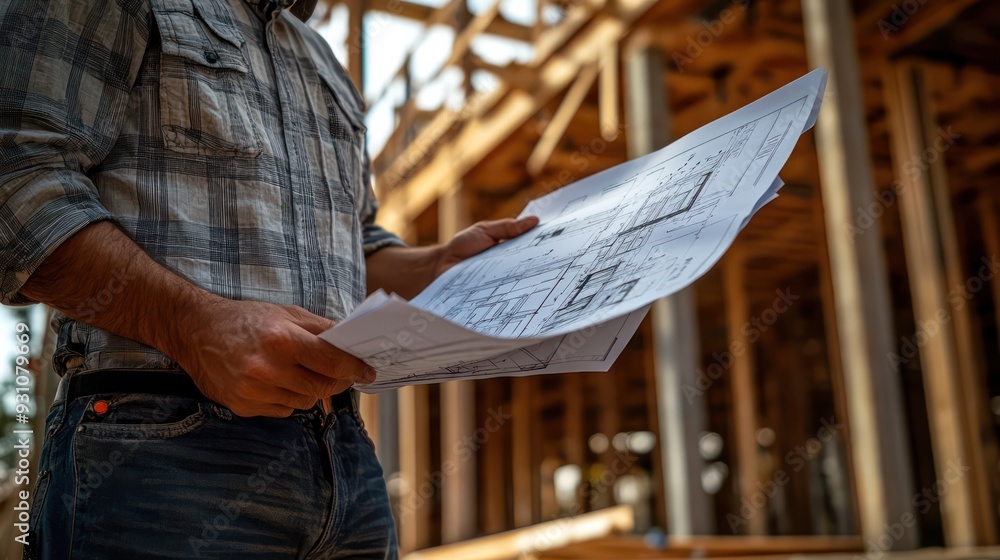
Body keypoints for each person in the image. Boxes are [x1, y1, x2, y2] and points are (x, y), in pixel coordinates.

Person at [0, 0, 537, 557]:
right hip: (158, 452)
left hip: (346, 455)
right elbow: (15, 181)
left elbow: (355, 246)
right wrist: (192, 327)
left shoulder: (322, 60)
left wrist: (434, 266)